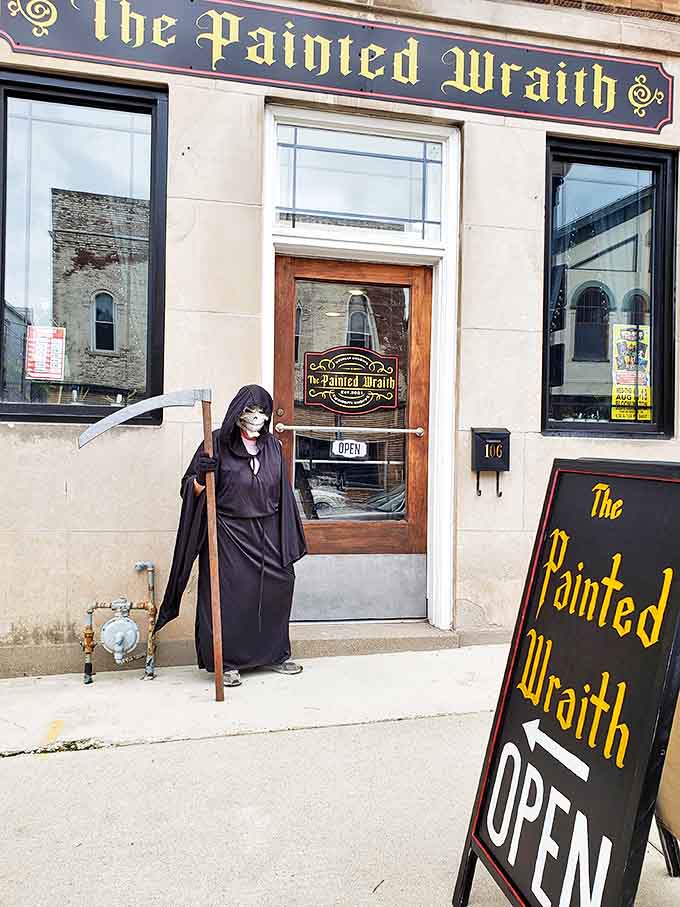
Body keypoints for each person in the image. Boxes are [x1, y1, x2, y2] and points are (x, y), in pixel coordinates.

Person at [155, 385, 307, 687]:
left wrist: (285, 536)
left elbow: (282, 491)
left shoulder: (273, 447)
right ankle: (227, 661)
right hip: (228, 533)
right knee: (230, 596)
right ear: (238, 413)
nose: (256, 419)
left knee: (279, 586)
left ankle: (274, 654)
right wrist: (200, 476)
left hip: (267, 531)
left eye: (262, 413)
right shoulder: (216, 443)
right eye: (251, 412)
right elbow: (190, 488)